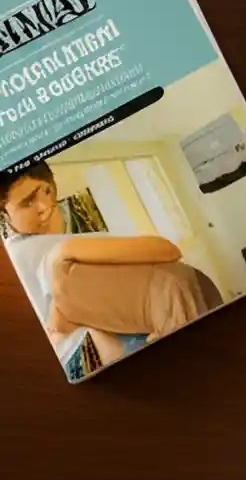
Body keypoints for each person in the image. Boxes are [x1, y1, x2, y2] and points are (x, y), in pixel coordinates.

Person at [1, 161, 221, 378]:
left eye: (46, 191)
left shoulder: (60, 247)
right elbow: (166, 250)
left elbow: (167, 250)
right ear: (5, 215)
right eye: (27, 202)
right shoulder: (31, 252)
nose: (43, 206)